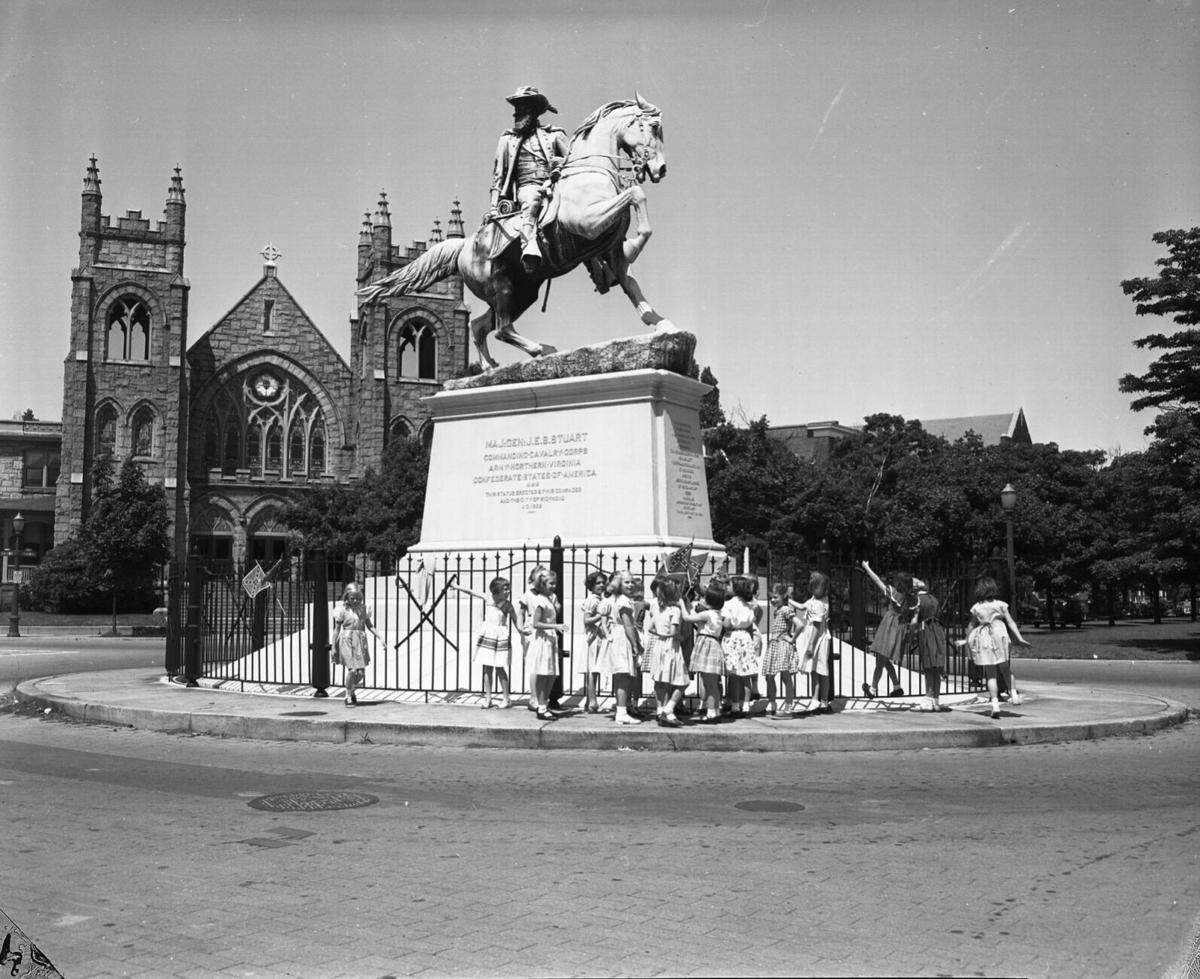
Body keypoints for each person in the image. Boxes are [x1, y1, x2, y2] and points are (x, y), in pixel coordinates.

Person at [488, 85, 571, 273]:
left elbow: (573, 161)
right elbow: (498, 175)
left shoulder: (555, 135)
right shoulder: (507, 140)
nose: (516, 114)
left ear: (534, 111)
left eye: (522, 108)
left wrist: (559, 165)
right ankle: (530, 247)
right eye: (516, 109)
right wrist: (493, 207)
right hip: (528, 186)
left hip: (556, 184)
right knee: (532, 200)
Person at [452, 576, 526, 709]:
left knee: (499, 667)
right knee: (487, 668)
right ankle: (488, 697)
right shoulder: (489, 599)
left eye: (508, 588)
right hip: (488, 636)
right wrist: (457, 587)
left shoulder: (508, 605)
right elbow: (471, 591)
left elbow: (516, 621)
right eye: (505, 589)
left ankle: (506, 698)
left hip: (500, 637)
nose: (508, 591)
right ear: (496, 590)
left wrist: (522, 634)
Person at [963, 575, 1031, 718]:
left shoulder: (977, 607)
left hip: (984, 637)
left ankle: (994, 704)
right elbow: (1011, 622)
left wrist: (966, 640)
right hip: (999, 634)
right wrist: (1019, 638)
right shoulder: (1001, 604)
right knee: (1005, 668)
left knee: (990, 673)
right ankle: (1013, 694)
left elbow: (972, 625)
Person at [861, 560, 912, 699]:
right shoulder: (909, 597)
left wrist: (867, 567)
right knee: (884, 659)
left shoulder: (893, 593)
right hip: (899, 627)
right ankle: (897, 687)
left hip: (889, 626)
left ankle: (872, 689)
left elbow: (877, 580)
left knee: (881, 660)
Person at [598, 571, 643, 725]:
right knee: (623, 676)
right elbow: (628, 625)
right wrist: (635, 644)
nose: (630, 585)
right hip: (622, 638)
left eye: (632, 582)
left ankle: (621, 710)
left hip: (619, 636)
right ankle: (622, 711)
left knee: (622, 677)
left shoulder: (619, 599)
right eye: (626, 582)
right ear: (619, 585)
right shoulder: (623, 601)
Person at [679, 580, 727, 724]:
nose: (702, 599)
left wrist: (682, 603)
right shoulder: (716, 614)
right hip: (713, 645)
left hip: (706, 646)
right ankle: (715, 711)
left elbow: (687, 618)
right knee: (712, 683)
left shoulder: (708, 614)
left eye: (705, 597)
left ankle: (711, 713)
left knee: (709, 683)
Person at [331, 582, 383, 708]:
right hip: (346, 640)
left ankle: (351, 689)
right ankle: (348, 696)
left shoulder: (364, 609)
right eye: (352, 598)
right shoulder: (342, 611)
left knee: (360, 673)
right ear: (347, 597)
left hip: (360, 641)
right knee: (352, 670)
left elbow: (370, 626)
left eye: (358, 598)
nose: (356, 600)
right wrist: (333, 646)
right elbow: (337, 629)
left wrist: (380, 637)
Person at [646, 575, 688, 727]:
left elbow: (650, 628)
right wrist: (680, 637)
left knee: (660, 680)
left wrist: (660, 634)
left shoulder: (657, 608)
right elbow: (673, 631)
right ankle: (669, 708)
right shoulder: (675, 610)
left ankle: (660, 710)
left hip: (659, 645)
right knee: (682, 681)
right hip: (671, 647)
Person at [525, 569, 565, 720]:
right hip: (543, 640)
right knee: (543, 674)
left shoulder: (549, 600)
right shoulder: (540, 601)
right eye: (550, 583)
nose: (553, 586)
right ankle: (542, 707)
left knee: (551, 675)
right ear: (542, 585)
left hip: (550, 640)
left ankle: (544, 704)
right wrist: (556, 627)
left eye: (555, 583)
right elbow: (536, 623)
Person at [793, 571, 832, 715]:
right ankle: (816, 700)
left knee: (821, 669)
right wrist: (789, 600)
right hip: (813, 636)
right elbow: (803, 606)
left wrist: (810, 644)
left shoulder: (820, 603)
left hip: (818, 638)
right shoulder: (814, 600)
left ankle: (823, 701)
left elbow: (816, 626)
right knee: (814, 669)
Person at [721, 575, 761, 716]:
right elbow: (753, 618)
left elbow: (726, 623)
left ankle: (735, 705)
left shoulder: (729, 604)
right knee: (746, 674)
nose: (727, 587)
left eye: (729, 585)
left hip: (733, 637)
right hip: (746, 637)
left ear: (736, 587)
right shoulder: (750, 604)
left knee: (734, 674)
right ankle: (746, 706)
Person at [911, 578, 950, 712]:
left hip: (926, 630)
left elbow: (915, 619)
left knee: (928, 665)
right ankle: (935, 700)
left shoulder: (917, 599)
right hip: (938, 630)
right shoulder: (934, 599)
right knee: (937, 666)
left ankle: (928, 700)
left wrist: (911, 633)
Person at [761, 583, 799, 715]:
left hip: (782, 644)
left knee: (785, 675)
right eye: (771, 597)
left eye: (775, 597)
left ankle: (788, 704)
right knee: (769, 675)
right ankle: (772, 703)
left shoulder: (786, 610)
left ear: (783, 596)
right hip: (774, 644)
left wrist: (792, 639)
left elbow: (799, 625)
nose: (772, 600)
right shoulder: (777, 611)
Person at [518, 565, 547, 711]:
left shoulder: (547, 594)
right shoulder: (528, 595)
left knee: (543, 665)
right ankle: (533, 697)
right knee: (533, 666)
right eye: (539, 577)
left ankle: (543, 697)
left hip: (544, 629)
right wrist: (520, 628)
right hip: (531, 629)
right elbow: (521, 613)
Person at [581, 570, 608, 713]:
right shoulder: (592, 600)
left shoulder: (599, 599)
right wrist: (600, 615)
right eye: (598, 583)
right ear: (591, 585)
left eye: (603, 582)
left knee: (594, 669)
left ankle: (589, 700)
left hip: (598, 636)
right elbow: (586, 620)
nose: (601, 585)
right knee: (592, 669)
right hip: (593, 637)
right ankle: (592, 702)